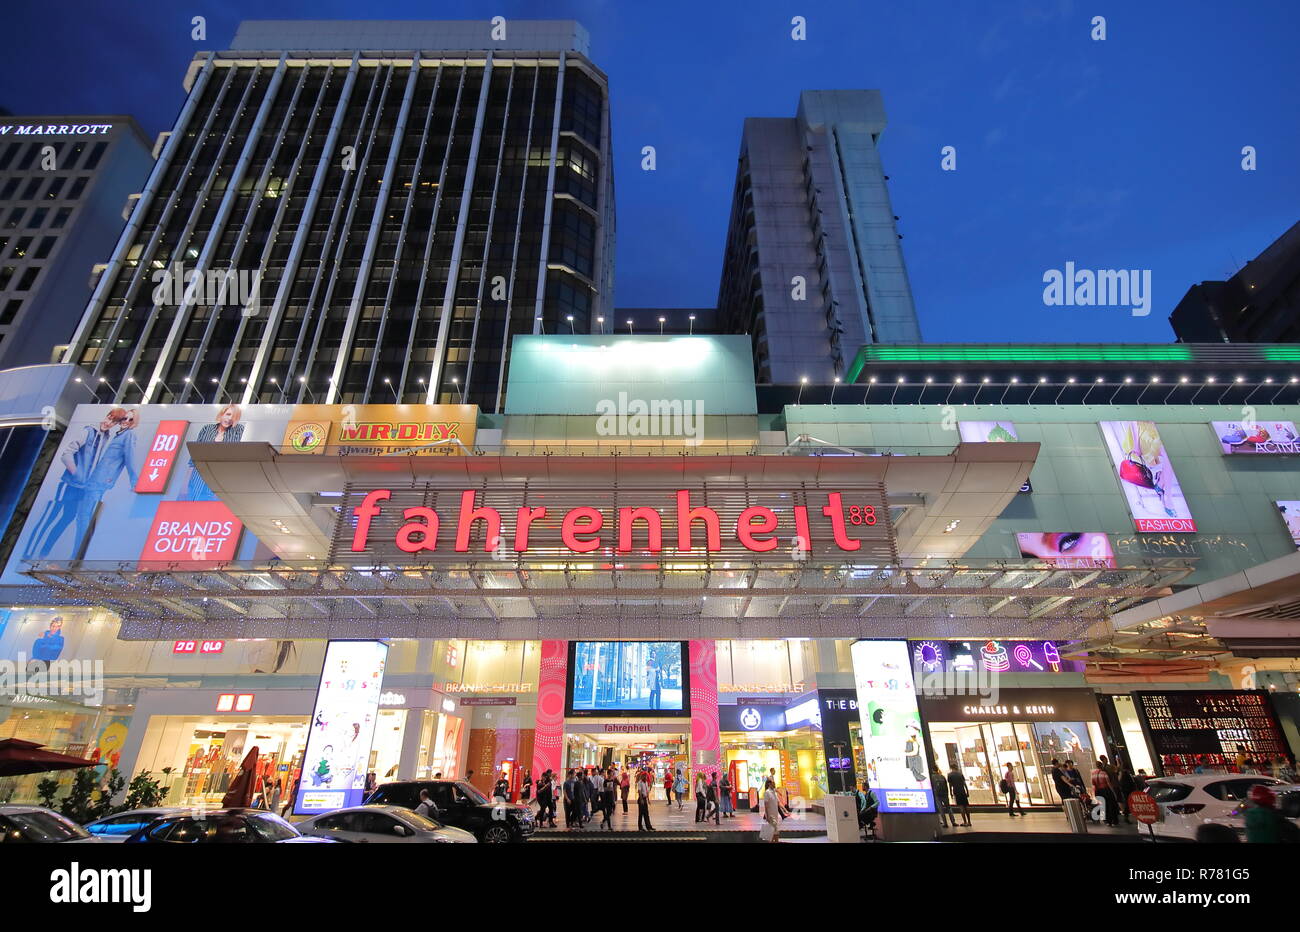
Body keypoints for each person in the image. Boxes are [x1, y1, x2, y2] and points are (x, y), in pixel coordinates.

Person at [1091, 760, 1119, 826]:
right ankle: (1114, 821)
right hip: (1106, 790)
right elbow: (1109, 783)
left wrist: (1094, 794)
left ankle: (1107, 821)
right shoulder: (1104, 773)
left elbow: (1093, 784)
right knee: (1111, 805)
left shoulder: (1093, 774)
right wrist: (1113, 792)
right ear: (1101, 766)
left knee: (1103, 806)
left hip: (1098, 791)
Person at [761, 778, 782, 843]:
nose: (774, 784)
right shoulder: (767, 793)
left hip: (775, 815)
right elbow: (766, 805)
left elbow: (778, 803)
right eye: (773, 783)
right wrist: (767, 815)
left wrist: (785, 811)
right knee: (775, 831)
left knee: (773, 832)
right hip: (771, 816)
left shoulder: (774, 792)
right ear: (769, 784)